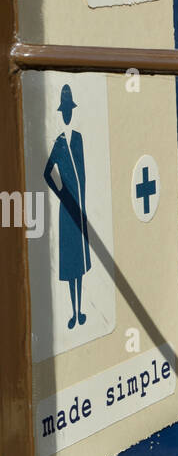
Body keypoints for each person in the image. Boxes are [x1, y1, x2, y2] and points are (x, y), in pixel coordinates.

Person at [44, 85, 92, 330]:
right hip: (67, 210)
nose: (67, 114)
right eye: (64, 110)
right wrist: (62, 192)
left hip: (80, 208)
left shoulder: (79, 138)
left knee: (80, 264)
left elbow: (83, 172)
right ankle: (73, 312)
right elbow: (47, 172)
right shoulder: (59, 142)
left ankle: (80, 310)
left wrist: (82, 199)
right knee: (71, 263)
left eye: (69, 109)